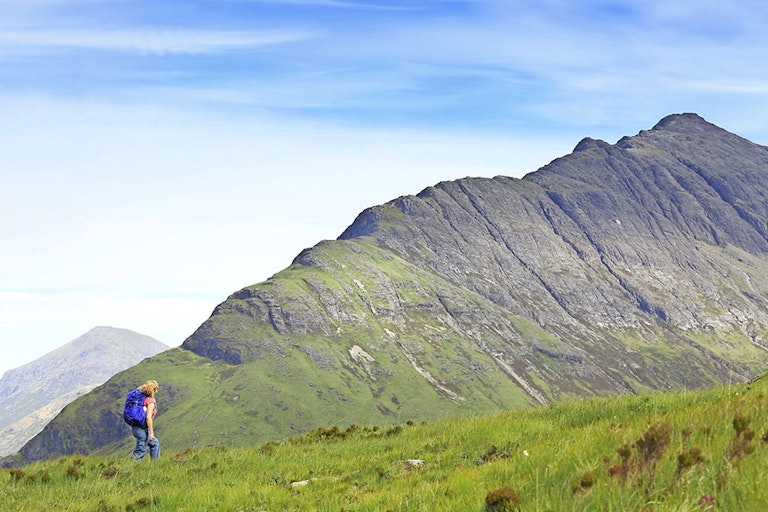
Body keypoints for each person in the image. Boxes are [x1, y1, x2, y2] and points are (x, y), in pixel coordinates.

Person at [131, 379, 160, 461]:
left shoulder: (141, 398)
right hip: (141, 429)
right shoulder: (150, 401)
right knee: (140, 450)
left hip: (136, 427)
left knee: (155, 443)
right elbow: (148, 417)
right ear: (154, 390)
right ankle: (132, 468)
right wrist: (151, 433)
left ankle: (155, 465)